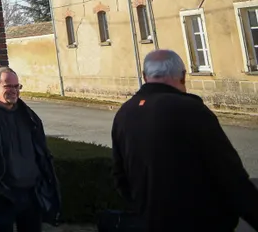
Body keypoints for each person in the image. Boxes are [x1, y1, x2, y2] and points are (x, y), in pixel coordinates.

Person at [111, 49, 258, 232]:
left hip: (149, 222)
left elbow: (119, 176)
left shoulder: (124, 113)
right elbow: (230, 174)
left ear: (145, 76)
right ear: (182, 76)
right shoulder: (191, 111)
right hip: (200, 222)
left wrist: (144, 208)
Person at [0, 67, 61, 232]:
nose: (13, 91)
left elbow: (42, 153)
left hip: (32, 194)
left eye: (17, 86)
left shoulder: (30, 117)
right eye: (8, 86)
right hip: (2, 197)